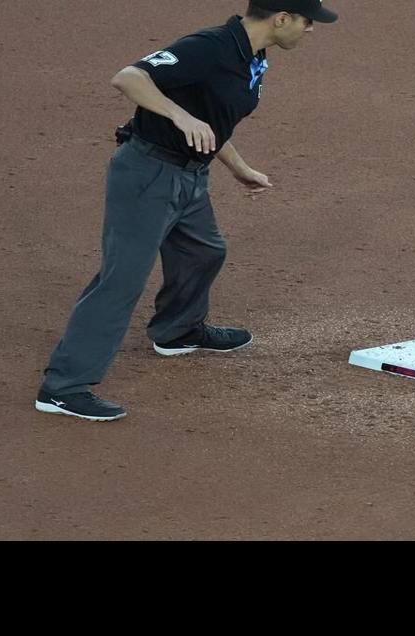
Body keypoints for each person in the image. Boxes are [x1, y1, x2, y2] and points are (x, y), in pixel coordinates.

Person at [35, 1, 338, 421]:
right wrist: (177, 114)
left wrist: (239, 168)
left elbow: (211, 122)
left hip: (189, 175)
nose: (311, 30)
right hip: (148, 174)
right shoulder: (209, 47)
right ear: (281, 18)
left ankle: (177, 331)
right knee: (120, 280)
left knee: (204, 250)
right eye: (307, 21)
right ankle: (63, 387)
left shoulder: (251, 57)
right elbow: (128, 78)